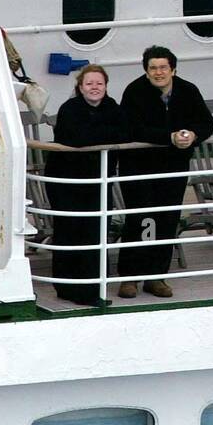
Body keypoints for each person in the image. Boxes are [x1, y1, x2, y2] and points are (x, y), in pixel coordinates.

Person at [117, 46, 213, 299]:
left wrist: (193, 135)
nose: (158, 72)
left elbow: (206, 122)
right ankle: (129, 278)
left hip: (173, 168)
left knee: (167, 220)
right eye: (153, 68)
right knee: (139, 220)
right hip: (138, 169)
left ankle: (156, 277)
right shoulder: (134, 92)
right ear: (146, 71)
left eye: (163, 67)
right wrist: (168, 137)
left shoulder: (188, 90)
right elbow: (130, 128)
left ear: (173, 69)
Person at [44, 65, 129, 306]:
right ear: (80, 87)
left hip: (98, 181)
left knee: (96, 232)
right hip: (67, 183)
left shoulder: (113, 107)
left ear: (105, 86)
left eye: (99, 83)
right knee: (70, 232)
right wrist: (104, 134)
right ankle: (66, 287)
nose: (94, 88)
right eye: (89, 83)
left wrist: (95, 134)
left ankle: (92, 288)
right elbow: (75, 138)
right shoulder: (69, 109)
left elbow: (124, 133)